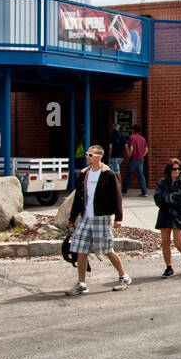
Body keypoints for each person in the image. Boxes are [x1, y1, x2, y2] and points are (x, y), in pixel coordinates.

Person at [65, 145, 131, 295]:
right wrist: (72, 217)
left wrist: (118, 217)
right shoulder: (84, 174)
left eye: (90, 154)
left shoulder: (108, 174)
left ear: (99, 156)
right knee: (80, 250)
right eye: (88, 154)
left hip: (102, 218)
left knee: (107, 250)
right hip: (85, 218)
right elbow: (78, 198)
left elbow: (117, 197)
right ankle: (81, 283)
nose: (87, 157)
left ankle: (123, 276)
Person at [154, 158, 181, 277]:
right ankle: (169, 267)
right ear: (169, 170)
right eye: (174, 169)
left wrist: (167, 197)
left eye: (179, 169)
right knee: (165, 242)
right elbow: (157, 198)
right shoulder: (162, 182)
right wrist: (169, 199)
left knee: (177, 242)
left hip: (180, 213)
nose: (177, 171)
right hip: (165, 212)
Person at [124, 125, 147, 196]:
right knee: (141, 175)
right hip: (140, 159)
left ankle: (124, 191)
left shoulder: (132, 137)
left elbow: (131, 148)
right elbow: (146, 150)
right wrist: (142, 155)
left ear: (133, 130)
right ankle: (144, 192)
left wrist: (129, 156)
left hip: (133, 159)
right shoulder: (143, 138)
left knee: (128, 175)